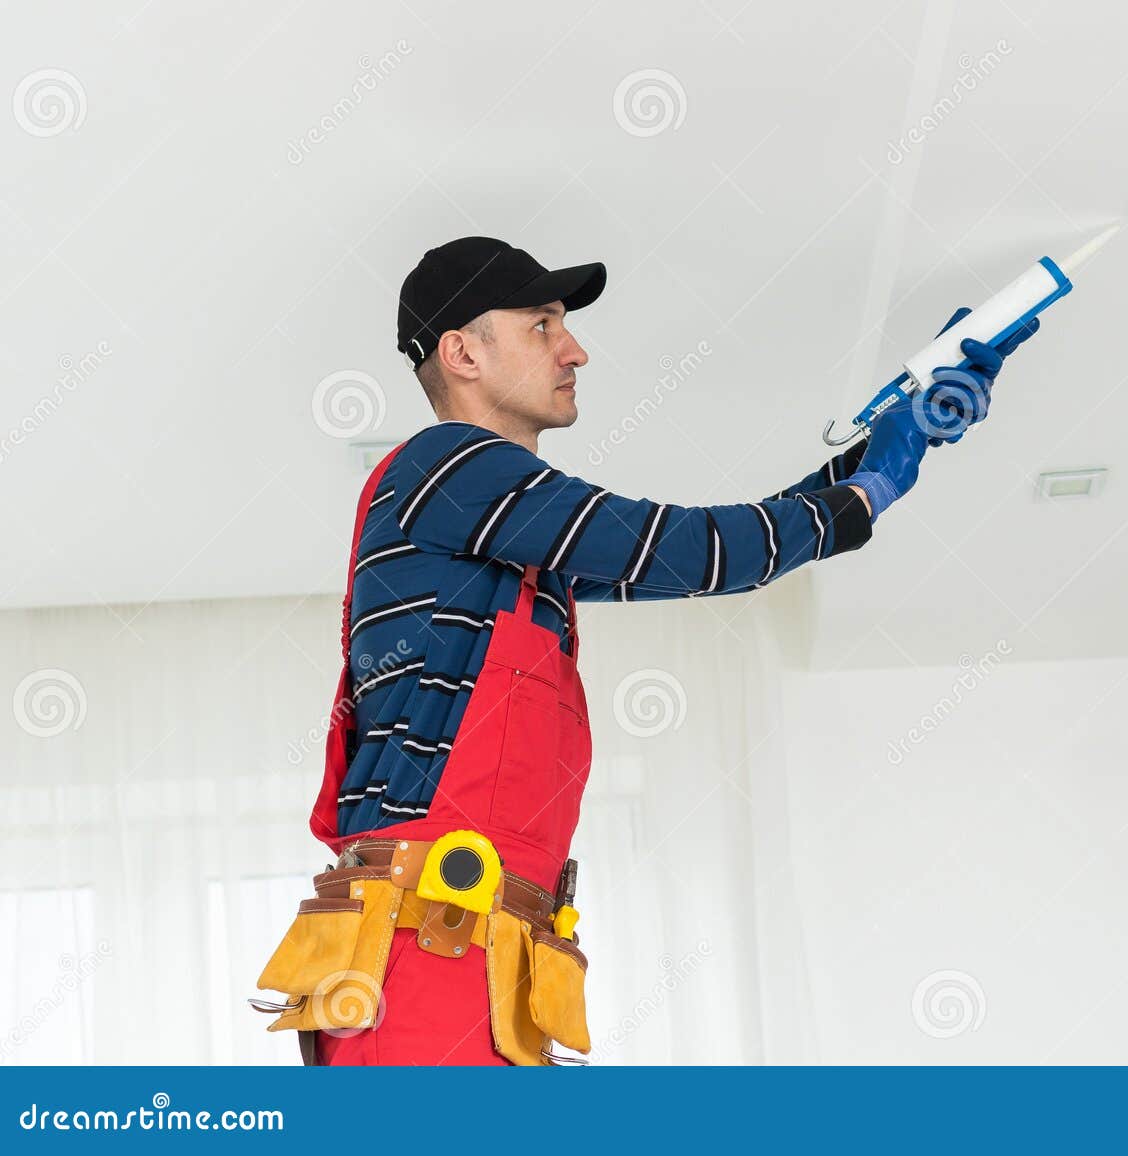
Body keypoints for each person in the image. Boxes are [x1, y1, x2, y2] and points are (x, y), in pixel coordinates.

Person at [257, 235, 1038, 1066]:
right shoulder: (449, 467)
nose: (574, 349)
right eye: (542, 324)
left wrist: (885, 445)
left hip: (484, 964)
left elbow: (705, 560)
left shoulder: (508, 548)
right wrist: (865, 492)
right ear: (462, 353)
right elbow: (686, 545)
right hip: (430, 959)